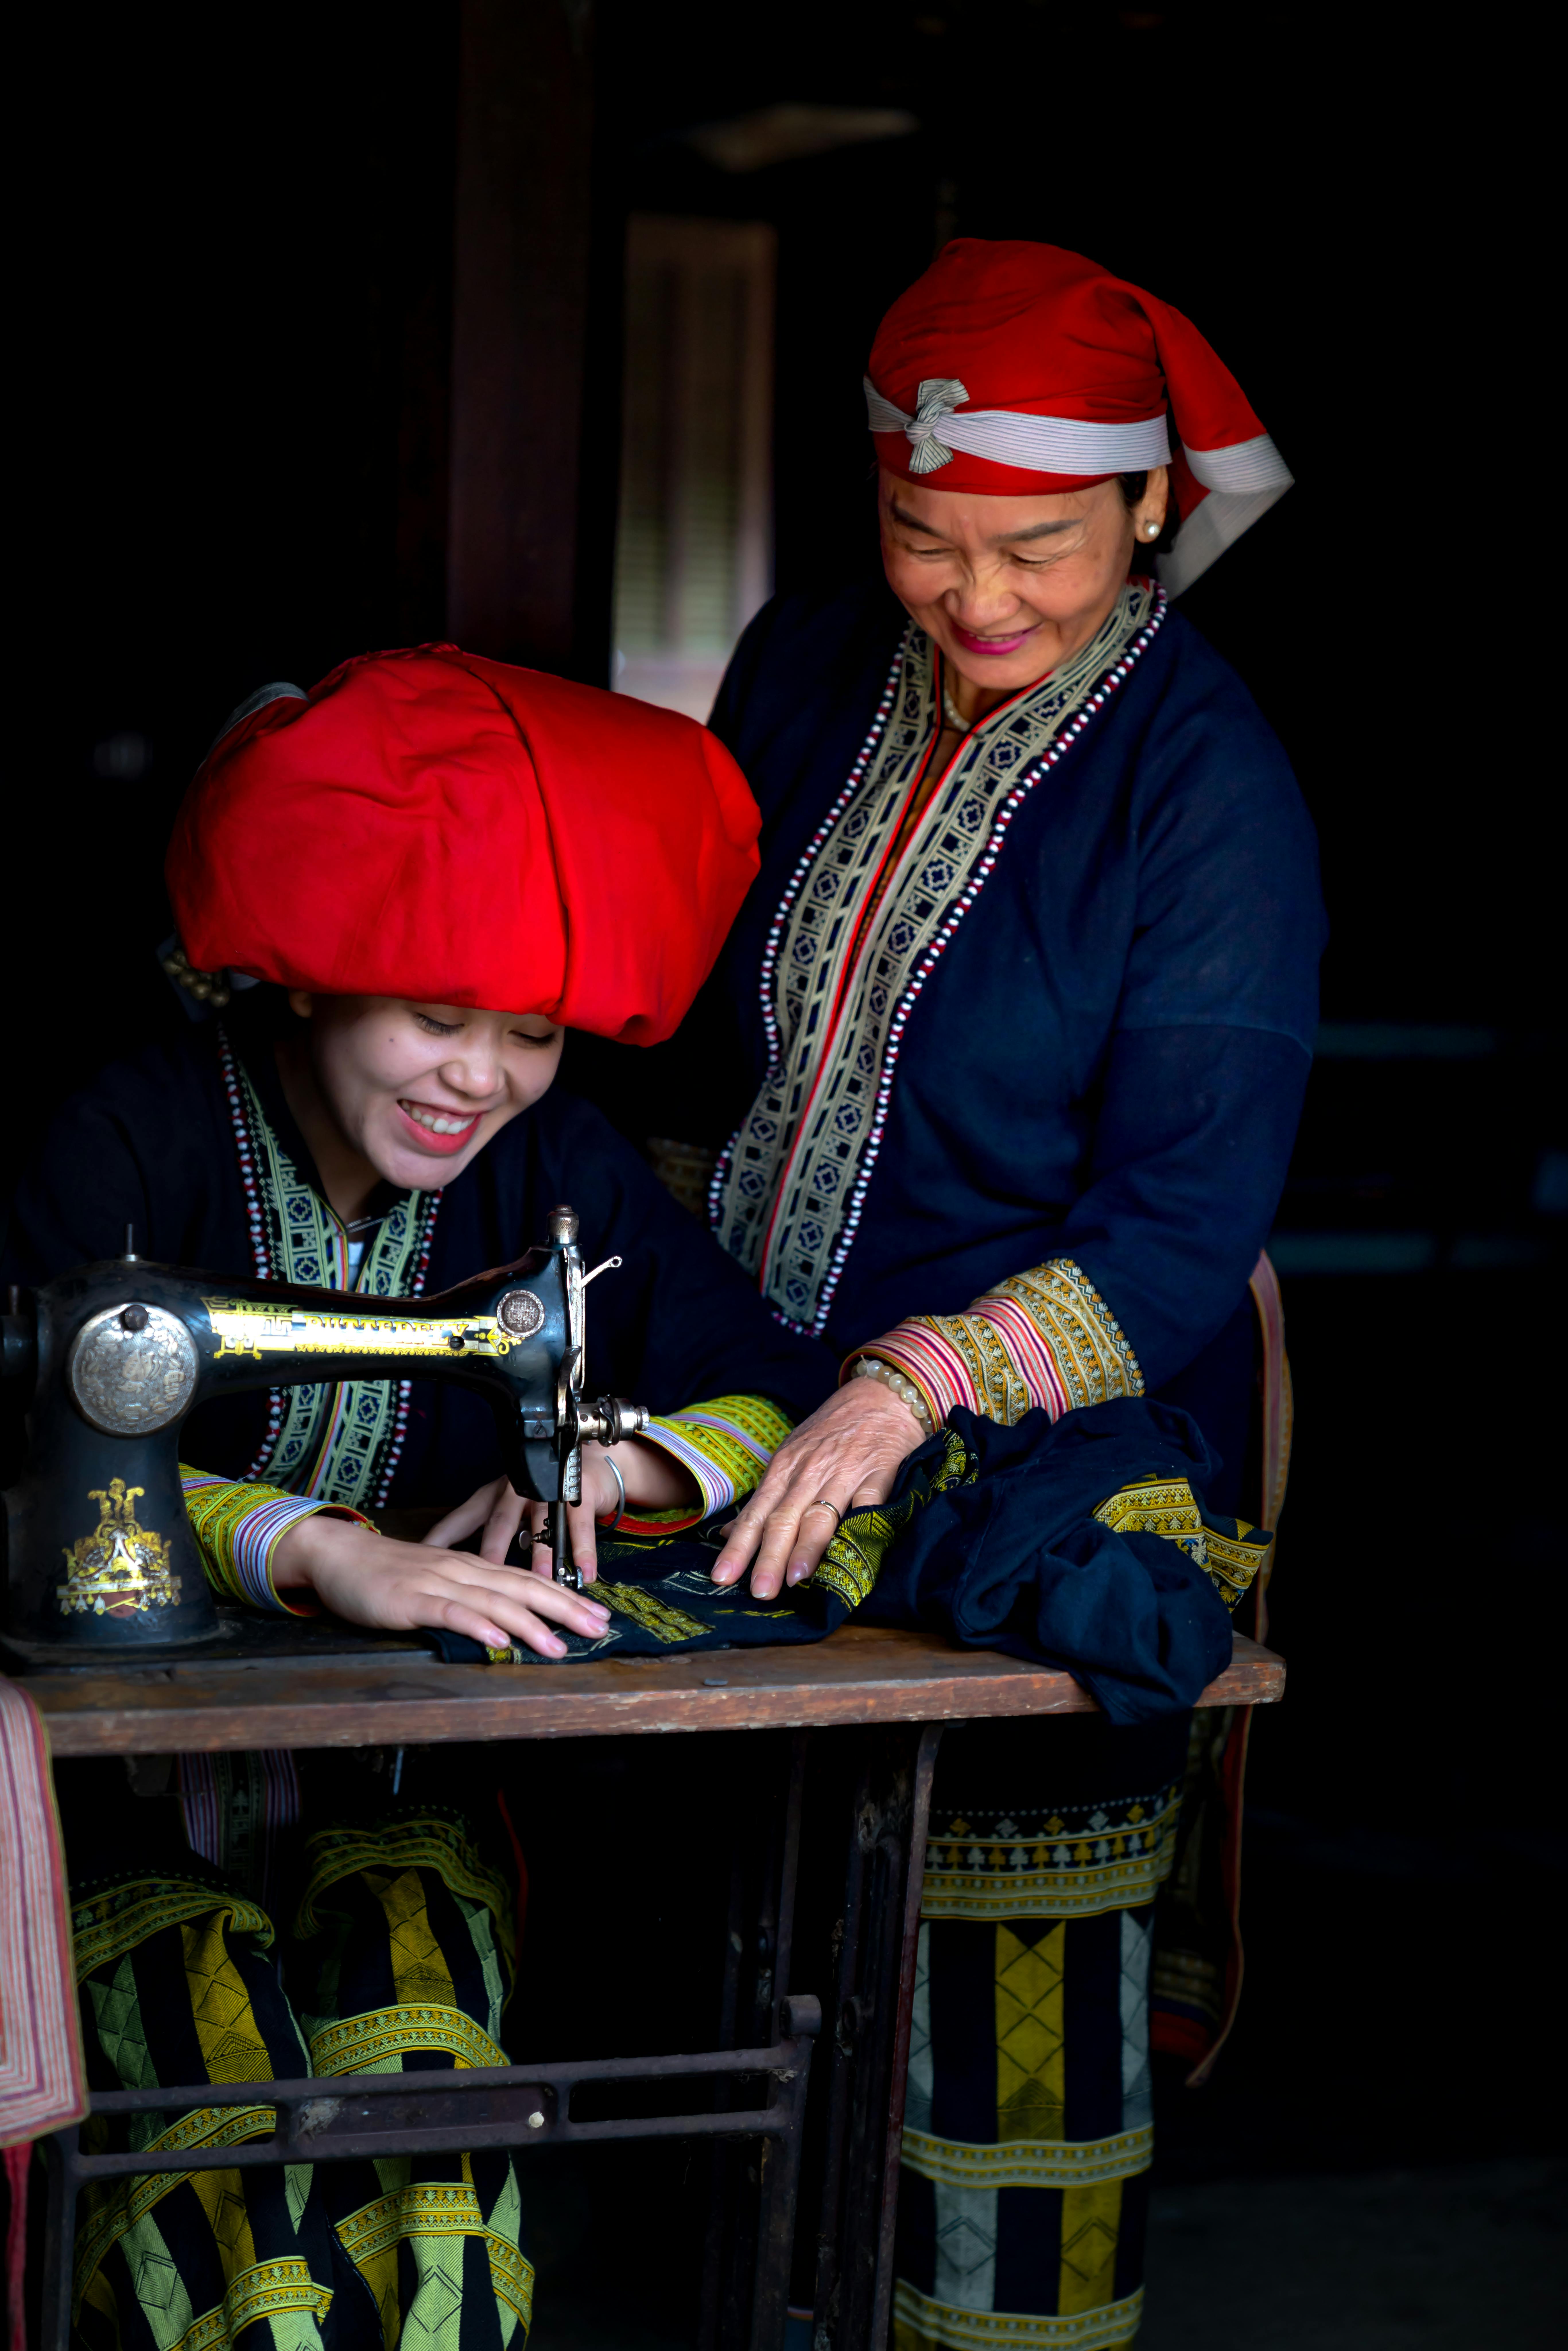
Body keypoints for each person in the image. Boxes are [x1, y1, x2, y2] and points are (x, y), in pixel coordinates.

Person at [650, 240, 1326, 2348]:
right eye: (924, 537)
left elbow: (1179, 1223)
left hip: (1056, 1439)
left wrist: (899, 1398)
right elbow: (686, 1067)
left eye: (1034, 543)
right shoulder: (798, 665)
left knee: (992, 2009)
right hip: (745, 1405)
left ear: (1142, 509)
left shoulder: (1203, 790)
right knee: (722, 1992)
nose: (977, 596)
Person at [4, 646, 835, 2349]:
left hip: (395, 1779)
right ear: (309, 979)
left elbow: (774, 1388)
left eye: (526, 1032)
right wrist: (320, 1549)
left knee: (432, 2064)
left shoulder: (552, 1171)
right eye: (433, 1016)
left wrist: (622, 1455)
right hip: (100, 1799)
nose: (479, 1078)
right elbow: (22, 1456)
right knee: (202, 2061)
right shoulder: (126, 1134)